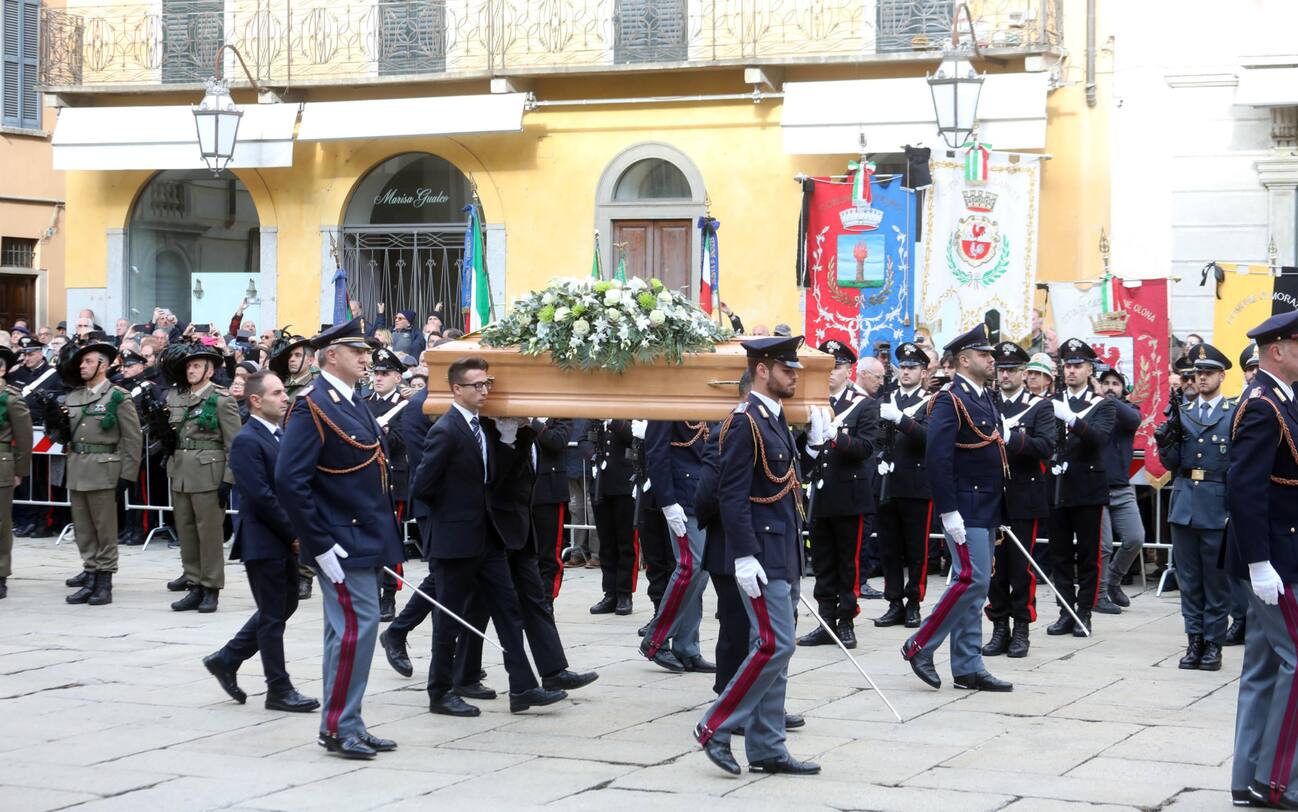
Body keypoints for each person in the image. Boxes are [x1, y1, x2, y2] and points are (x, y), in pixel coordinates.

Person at [411, 356, 566, 718]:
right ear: (456, 389)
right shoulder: (446, 430)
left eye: (487, 384)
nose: (484, 391)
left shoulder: (480, 427)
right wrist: (452, 521)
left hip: (488, 540)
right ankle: (440, 692)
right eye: (477, 385)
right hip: (456, 543)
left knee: (509, 612)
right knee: (449, 619)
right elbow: (423, 486)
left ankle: (523, 687)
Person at [276, 318, 402, 760]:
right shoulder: (311, 405)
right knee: (357, 630)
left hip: (362, 533)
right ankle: (337, 728)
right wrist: (320, 543)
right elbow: (291, 481)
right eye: (358, 351)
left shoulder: (352, 400)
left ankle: (347, 721)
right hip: (340, 541)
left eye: (367, 352)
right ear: (331, 355)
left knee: (345, 633)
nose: (367, 358)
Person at [694, 335, 819, 777]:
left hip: (782, 547)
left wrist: (816, 448)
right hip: (760, 553)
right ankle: (715, 725)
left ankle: (767, 747)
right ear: (762, 370)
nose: (795, 377)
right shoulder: (744, 421)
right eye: (788, 370)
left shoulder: (773, 418)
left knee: (777, 653)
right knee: (774, 643)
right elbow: (731, 494)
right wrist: (744, 556)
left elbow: (781, 483)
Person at [899, 324, 1012, 692]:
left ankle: (967, 666)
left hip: (987, 504)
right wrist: (949, 511)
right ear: (964, 360)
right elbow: (938, 457)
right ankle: (921, 645)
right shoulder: (950, 399)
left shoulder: (983, 396)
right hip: (965, 505)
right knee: (971, 579)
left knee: (977, 586)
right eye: (984, 354)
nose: (991, 359)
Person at [202, 370, 319, 713]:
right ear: (256, 400)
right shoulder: (247, 439)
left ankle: (227, 658)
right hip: (265, 539)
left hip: (281, 538)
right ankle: (278, 689)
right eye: (278, 393)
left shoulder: (279, 435)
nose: (285, 398)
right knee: (272, 615)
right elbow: (262, 496)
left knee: (285, 606)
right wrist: (294, 533)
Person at [1225, 311, 1298, 807]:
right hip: (1274, 558)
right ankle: (1276, 783)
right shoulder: (1262, 405)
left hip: (1282, 551)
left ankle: (1246, 778)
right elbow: (1244, 488)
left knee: (1264, 667)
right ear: (1278, 349)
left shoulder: (1284, 400)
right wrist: (1259, 564)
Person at [1155, 343, 1234, 672]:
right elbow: (1172, 464)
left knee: (1215, 581)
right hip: (1185, 502)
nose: (1201, 379)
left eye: (1208, 373)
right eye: (1197, 373)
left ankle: (1214, 643)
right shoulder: (1182, 413)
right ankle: (1194, 640)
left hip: (1217, 505)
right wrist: (1165, 442)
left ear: (1221, 376)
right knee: (1188, 580)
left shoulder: (1233, 414)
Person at [798, 339, 878, 649]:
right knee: (823, 562)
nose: (830, 372)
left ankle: (846, 621)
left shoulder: (863, 404)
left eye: (838, 366)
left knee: (849, 563)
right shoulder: (811, 402)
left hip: (850, 495)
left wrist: (835, 436)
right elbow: (802, 453)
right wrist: (810, 444)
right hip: (821, 494)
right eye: (826, 366)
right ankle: (826, 622)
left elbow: (866, 449)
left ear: (849, 370)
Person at [60, 336, 142, 606]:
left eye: (88, 361)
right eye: (81, 362)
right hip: (77, 468)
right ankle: (90, 574)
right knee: (83, 529)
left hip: (105, 469)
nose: (82, 366)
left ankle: (104, 581)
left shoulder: (118, 396)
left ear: (103, 366)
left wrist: (128, 475)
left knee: (104, 529)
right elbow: (65, 437)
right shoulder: (74, 396)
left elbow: (132, 438)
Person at [984, 342, 1054, 658]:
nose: (1007, 375)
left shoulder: (1039, 406)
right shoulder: (987, 402)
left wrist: (1013, 438)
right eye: (1002, 369)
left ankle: (1022, 628)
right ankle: (999, 626)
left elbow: (1045, 447)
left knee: (1020, 568)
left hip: (1024, 497)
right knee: (995, 569)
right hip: (991, 497)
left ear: (1024, 373)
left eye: (1012, 369)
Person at [1045, 338, 1116, 639]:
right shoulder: (1052, 401)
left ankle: (1084, 611)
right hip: (1058, 485)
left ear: (1090, 369)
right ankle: (1066, 611)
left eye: (1078, 365)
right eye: (1068, 365)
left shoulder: (1103, 404)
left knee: (1088, 555)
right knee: (1059, 555)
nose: (1071, 371)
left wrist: (1072, 419)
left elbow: (1099, 439)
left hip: (1087, 487)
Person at [163, 344, 242, 613]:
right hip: (181, 472)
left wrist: (228, 480)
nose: (191, 370)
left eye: (196, 366)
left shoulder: (221, 400)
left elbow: (234, 444)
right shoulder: (177, 398)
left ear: (210, 370)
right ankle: (194, 583)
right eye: (188, 366)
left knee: (208, 535)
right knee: (185, 531)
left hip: (209, 474)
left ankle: (211, 588)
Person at [637, 414, 717, 673]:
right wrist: (667, 501)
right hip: (681, 496)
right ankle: (655, 639)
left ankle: (687, 646)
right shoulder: (671, 403)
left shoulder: (708, 404)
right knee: (690, 567)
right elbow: (656, 451)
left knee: (701, 572)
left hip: (704, 495)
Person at [873, 342, 932, 630]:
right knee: (889, 547)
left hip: (917, 482)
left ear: (923, 371)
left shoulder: (931, 400)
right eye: (903, 367)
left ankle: (914, 603)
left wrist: (902, 420)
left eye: (912, 367)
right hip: (888, 481)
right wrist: (877, 459)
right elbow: (872, 435)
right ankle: (894, 601)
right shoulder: (886, 396)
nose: (906, 372)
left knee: (916, 549)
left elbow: (928, 437)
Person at [270, 331, 318, 599]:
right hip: (279, 454)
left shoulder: (313, 386)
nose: (292, 360)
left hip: (301, 459)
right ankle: (286, 570)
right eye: (290, 355)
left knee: (301, 518)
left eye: (298, 355)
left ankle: (304, 575)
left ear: (311, 361)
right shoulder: (282, 385)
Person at [364, 347, 409, 621]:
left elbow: (399, 440)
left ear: (398, 377)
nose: (379, 378)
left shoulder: (404, 406)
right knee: (369, 539)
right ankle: (370, 592)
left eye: (385, 373)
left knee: (389, 540)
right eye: (376, 373)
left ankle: (388, 594)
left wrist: (382, 433)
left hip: (394, 479)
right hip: (367, 479)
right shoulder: (363, 403)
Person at [1096, 367, 1146, 615]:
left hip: (1122, 488)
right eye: (1105, 383)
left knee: (1135, 538)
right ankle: (1100, 594)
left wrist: (1110, 399)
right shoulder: (1094, 410)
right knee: (1103, 546)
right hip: (1097, 489)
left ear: (1124, 390)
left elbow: (1134, 421)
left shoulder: (1129, 412)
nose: (1110, 387)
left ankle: (1114, 580)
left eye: (1116, 383)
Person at [1225, 341, 1261, 647]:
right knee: (1236, 566)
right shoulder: (1235, 406)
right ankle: (1239, 618)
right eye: (1249, 369)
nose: (1253, 374)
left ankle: (1251, 619)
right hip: (1233, 495)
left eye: (1257, 368)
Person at [590, 419, 638, 616]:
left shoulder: (627, 414)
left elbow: (633, 438)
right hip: (601, 485)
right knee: (606, 543)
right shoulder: (595, 414)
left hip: (624, 485)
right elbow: (585, 439)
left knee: (625, 544)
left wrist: (613, 419)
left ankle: (625, 593)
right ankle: (610, 593)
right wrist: (592, 456)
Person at [0, 346, 32, 599]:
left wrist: (20, 469)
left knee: (1, 523)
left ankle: (1, 574)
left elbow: (24, 437)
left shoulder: (10, 397)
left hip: (1, 463)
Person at [530, 417, 574, 603]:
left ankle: (547, 600)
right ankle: (527, 600)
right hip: (522, 490)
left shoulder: (558, 411)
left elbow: (558, 441)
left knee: (549, 554)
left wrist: (534, 423)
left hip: (548, 491)